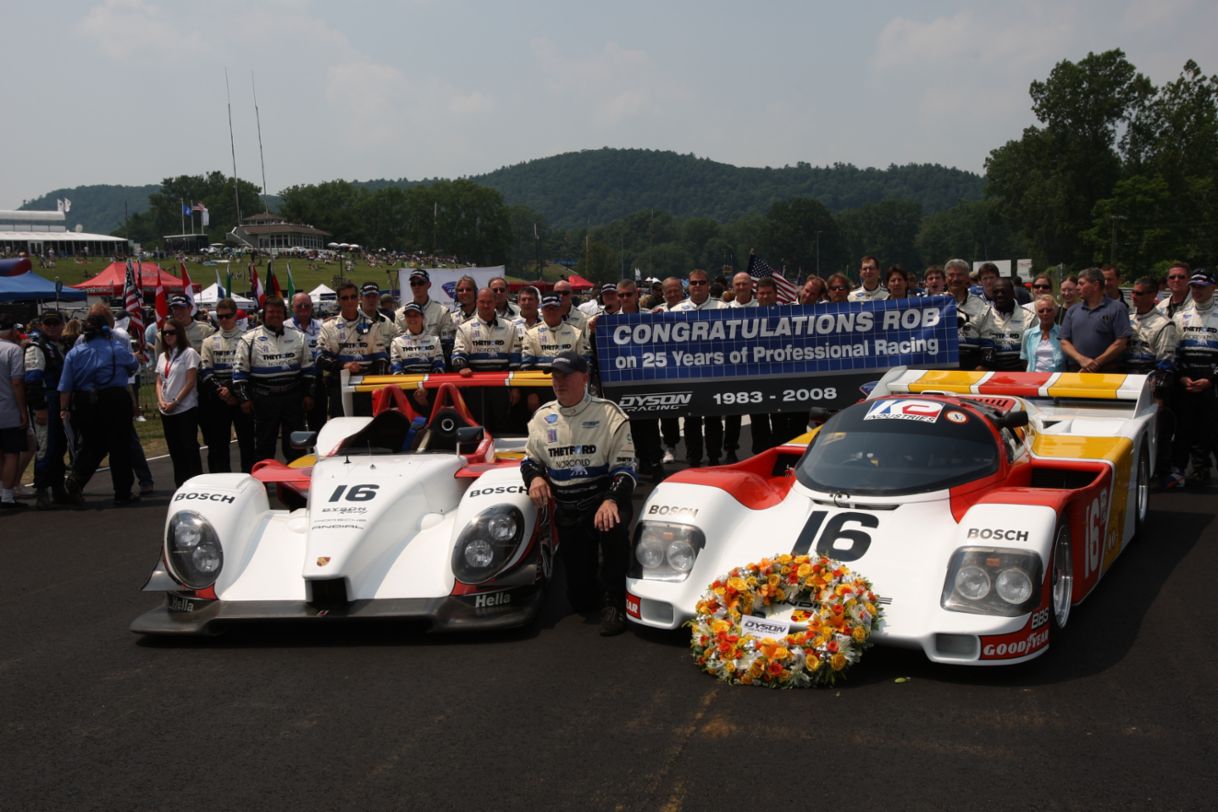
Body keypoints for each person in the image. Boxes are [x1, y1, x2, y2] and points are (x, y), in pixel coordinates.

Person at [521, 351, 636, 635]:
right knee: (581, 600)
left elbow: (627, 468)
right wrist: (535, 478)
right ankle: (592, 583)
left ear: (584, 378)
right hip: (569, 507)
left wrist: (610, 499)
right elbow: (529, 460)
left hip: (602, 498)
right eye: (555, 377)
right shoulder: (541, 417)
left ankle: (616, 599)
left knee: (613, 523)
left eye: (566, 376)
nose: (559, 382)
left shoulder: (610, 414)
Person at [58, 313, 140, 505]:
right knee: (120, 446)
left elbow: (65, 386)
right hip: (114, 400)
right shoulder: (116, 349)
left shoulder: (74, 354)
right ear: (105, 330)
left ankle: (77, 478)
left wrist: (64, 408)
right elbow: (133, 365)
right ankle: (122, 492)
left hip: (85, 402)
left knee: (91, 445)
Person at [233, 297, 315, 463]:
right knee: (264, 446)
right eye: (271, 312)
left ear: (284, 314)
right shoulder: (249, 339)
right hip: (264, 399)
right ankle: (263, 486)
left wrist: (309, 394)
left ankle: (295, 486)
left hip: (292, 398)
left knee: (296, 446)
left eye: (279, 312)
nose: (275, 315)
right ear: (264, 314)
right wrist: (244, 399)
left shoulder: (298, 337)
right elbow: (239, 373)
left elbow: (309, 370)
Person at [1165, 270, 1218, 488]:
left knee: (1212, 430)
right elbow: (1172, 352)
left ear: (1214, 287)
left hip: (1213, 383)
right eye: (1194, 286)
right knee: (1184, 429)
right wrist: (1181, 377)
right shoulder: (1180, 316)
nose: (1197, 291)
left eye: (1202, 287)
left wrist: (1212, 380)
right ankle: (1178, 471)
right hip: (1186, 383)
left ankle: (1202, 468)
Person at [1127, 276, 1179, 482]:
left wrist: (1159, 397)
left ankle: (1160, 472)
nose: (1133, 296)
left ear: (1152, 295)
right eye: (1132, 292)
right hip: (1128, 380)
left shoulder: (1164, 324)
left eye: (1138, 293)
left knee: (1157, 430)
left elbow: (1166, 363)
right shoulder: (1128, 320)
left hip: (1150, 382)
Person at [675, 269, 726, 466]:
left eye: (701, 282)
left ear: (708, 285)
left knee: (714, 419)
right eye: (694, 283)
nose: (697, 286)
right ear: (688, 285)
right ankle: (693, 457)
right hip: (688, 374)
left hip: (715, 373)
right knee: (691, 419)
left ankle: (714, 456)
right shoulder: (677, 311)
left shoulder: (722, 307)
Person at [198, 298, 255, 474]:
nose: (223, 320)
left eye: (227, 316)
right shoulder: (209, 341)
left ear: (235, 315)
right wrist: (222, 392)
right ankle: (222, 480)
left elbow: (250, 369)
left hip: (242, 395)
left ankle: (251, 477)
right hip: (218, 399)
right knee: (218, 445)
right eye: (220, 317)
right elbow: (206, 371)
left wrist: (232, 391)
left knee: (247, 443)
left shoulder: (247, 339)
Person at [452, 288, 520, 431]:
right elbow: (458, 353)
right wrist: (461, 366)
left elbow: (515, 358)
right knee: (477, 424)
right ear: (477, 302)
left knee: (502, 423)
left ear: (496, 303)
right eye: (482, 302)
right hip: (475, 383)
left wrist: (515, 387)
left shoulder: (510, 326)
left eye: (489, 302)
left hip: (501, 384)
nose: (486, 305)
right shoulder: (465, 327)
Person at [318, 281, 388, 417]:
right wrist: (343, 365)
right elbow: (319, 358)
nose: (349, 301)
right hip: (339, 385)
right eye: (345, 298)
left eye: (353, 297)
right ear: (338, 301)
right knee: (341, 431)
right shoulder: (328, 327)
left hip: (366, 387)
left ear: (359, 298)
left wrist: (380, 388)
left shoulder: (372, 325)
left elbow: (381, 359)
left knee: (366, 429)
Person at [23, 312, 70, 509]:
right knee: (45, 448)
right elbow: (32, 381)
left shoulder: (61, 346)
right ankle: (41, 490)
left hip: (59, 401)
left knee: (60, 446)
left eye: (55, 323)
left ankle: (59, 488)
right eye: (47, 323)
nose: (51, 327)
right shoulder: (36, 347)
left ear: (62, 325)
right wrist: (40, 408)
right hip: (46, 402)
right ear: (41, 325)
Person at [154, 322, 203, 488]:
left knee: (189, 448)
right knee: (175, 451)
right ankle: (180, 485)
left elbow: (190, 382)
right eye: (165, 332)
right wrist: (161, 401)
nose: (168, 335)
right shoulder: (163, 356)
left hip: (185, 408)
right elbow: (159, 381)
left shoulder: (189, 353)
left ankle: (196, 483)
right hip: (166, 410)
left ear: (179, 333)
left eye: (172, 332)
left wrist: (176, 402)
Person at [1060, 267, 1131, 373]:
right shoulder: (1072, 310)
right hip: (1077, 371)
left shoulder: (1117, 308)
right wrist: (1082, 360)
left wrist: (1095, 363)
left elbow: (1121, 342)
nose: (1077, 287)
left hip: (1107, 373)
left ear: (1096, 285)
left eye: (1081, 284)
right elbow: (1064, 341)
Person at [976, 278, 1036, 371]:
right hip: (990, 375)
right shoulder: (983, 315)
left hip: (1020, 375)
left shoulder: (1030, 317)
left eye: (1004, 292)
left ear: (1013, 293)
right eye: (996, 292)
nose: (1000, 295)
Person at [288, 292, 327, 434]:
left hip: (317, 381)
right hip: (294, 383)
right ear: (293, 307)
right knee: (295, 427)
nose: (303, 308)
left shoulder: (322, 326)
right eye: (299, 305)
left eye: (307, 305)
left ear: (312, 307)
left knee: (319, 426)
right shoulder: (285, 327)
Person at [0, 315, 28, 510]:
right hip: (7, 407)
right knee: (11, 453)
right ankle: (7, 495)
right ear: (11, 330)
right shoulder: (13, 350)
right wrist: (23, 410)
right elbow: (16, 381)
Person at [522, 295, 589, 370]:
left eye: (555, 308)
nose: (551, 311)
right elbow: (527, 367)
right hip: (540, 380)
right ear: (542, 310)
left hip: (568, 379)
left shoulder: (576, 333)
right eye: (547, 308)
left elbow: (584, 364)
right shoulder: (531, 334)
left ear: (561, 310)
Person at [945, 259, 987, 370]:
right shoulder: (934, 304)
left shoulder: (981, 305)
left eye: (960, 275)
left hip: (972, 363)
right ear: (946, 278)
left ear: (967, 278)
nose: (955, 279)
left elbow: (988, 337)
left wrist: (984, 364)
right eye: (951, 275)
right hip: (942, 362)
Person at [394, 269, 455, 340]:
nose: (417, 286)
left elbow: (446, 341)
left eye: (421, 283)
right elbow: (399, 342)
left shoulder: (442, 312)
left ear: (429, 285)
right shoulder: (399, 314)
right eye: (413, 284)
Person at [390, 303, 446, 374]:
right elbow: (397, 370)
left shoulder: (435, 341)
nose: (412, 318)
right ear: (405, 318)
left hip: (429, 382)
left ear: (422, 317)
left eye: (415, 315)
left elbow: (439, 367)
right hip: (407, 383)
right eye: (409, 316)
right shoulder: (397, 342)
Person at [1020, 296, 1064, 372]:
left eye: (1049, 310)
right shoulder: (1028, 334)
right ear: (1037, 313)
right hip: (1034, 380)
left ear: (1055, 312)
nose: (1045, 313)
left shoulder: (1063, 333)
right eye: (1041, 311)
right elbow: (1024, 358)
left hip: (1056, 380)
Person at [359, 282, 398, 347]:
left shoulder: (387, 322)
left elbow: (398, 344)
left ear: (378, 298)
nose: (371, 300)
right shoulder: (352, 319)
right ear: (360, 298)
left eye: (374, 296)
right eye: (367, 296)